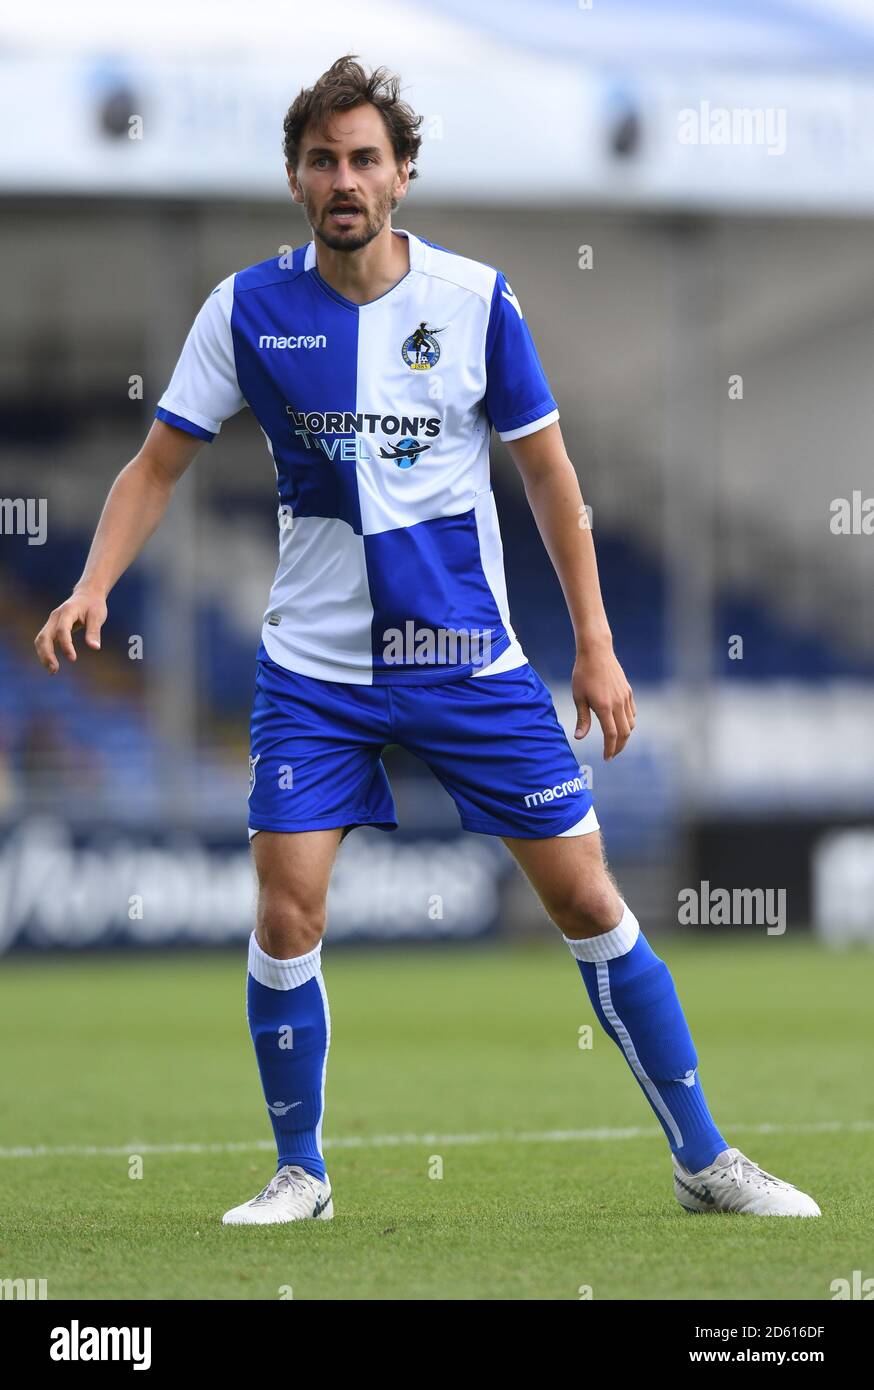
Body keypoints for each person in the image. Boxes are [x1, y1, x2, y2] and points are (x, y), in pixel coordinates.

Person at [34, 55, 820, 1223]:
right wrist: (94, 583)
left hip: (467, 666)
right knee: (285, 908)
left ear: (402, 175)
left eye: (364, 159)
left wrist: (594, 646)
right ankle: (300, 1172)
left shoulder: (476, 300)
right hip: (314, 675)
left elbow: (553, 482)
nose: (344, 178)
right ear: (296, 180)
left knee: (588, 901)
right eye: (322, 160)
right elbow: (156, 465)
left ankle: (704, 1159)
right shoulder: (244, 308)